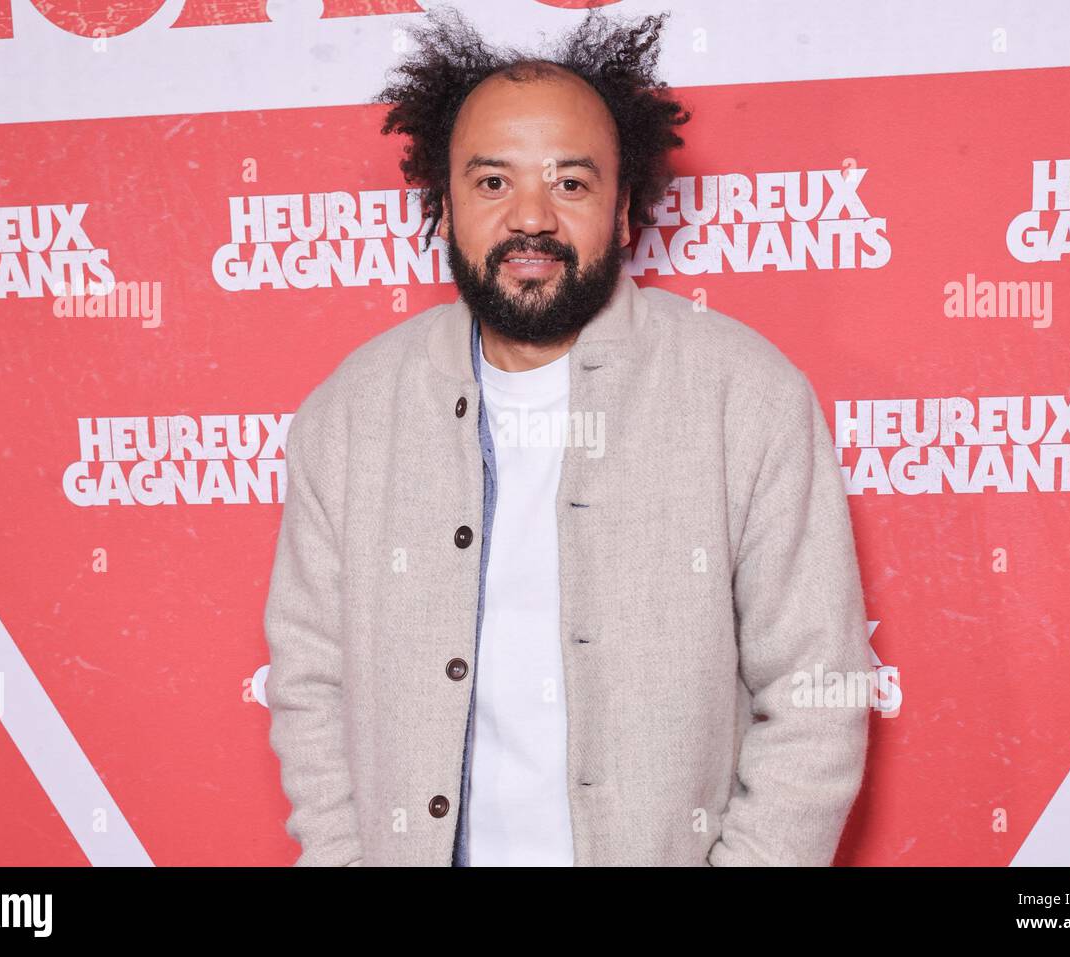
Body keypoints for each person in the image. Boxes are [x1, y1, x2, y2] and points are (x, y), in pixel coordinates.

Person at [263, 5, 871, 867]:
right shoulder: (350, 416)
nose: (532, 218)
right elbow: (310, 687)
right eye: (492, 182)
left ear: (624, 211)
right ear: (445, 204)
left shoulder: (747, 398)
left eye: (571, 183)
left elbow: (815, 696)